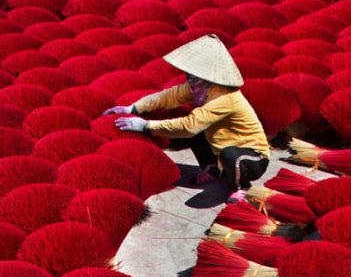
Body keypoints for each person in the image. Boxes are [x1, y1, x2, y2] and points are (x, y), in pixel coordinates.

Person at [103, 33, 270, 198]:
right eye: (188, 73)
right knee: (204, 138)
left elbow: (189, 126)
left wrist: (146, 126)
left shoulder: (226, 98)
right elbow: (168, 97)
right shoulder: (200, 86)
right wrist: (132, 108)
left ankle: (241, 186)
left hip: (252, 158)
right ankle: (214, 169)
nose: (189, 78)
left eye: (194, 75)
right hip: (222, 150)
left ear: (208, 77)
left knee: (229, 154)